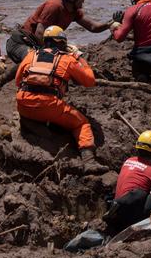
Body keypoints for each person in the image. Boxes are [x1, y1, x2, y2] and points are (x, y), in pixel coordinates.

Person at [15, 26, 104, 173]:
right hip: (49, 105)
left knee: (39, 111)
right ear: (62, 43)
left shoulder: (31, 55)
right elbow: (90, 81)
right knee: (82, 123)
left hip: (23, 104)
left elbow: (18, 82)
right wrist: (79, 57)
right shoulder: (67, 59)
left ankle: (31, 122)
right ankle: (89, 160)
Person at [6, 0, 112, 64]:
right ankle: (2, 79)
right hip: (21, 43)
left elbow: (93, 27)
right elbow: (39, 33)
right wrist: (51, 53)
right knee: (34, 60)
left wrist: (110, 24)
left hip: (38, 44)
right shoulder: (54, 6)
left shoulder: (74, 10)